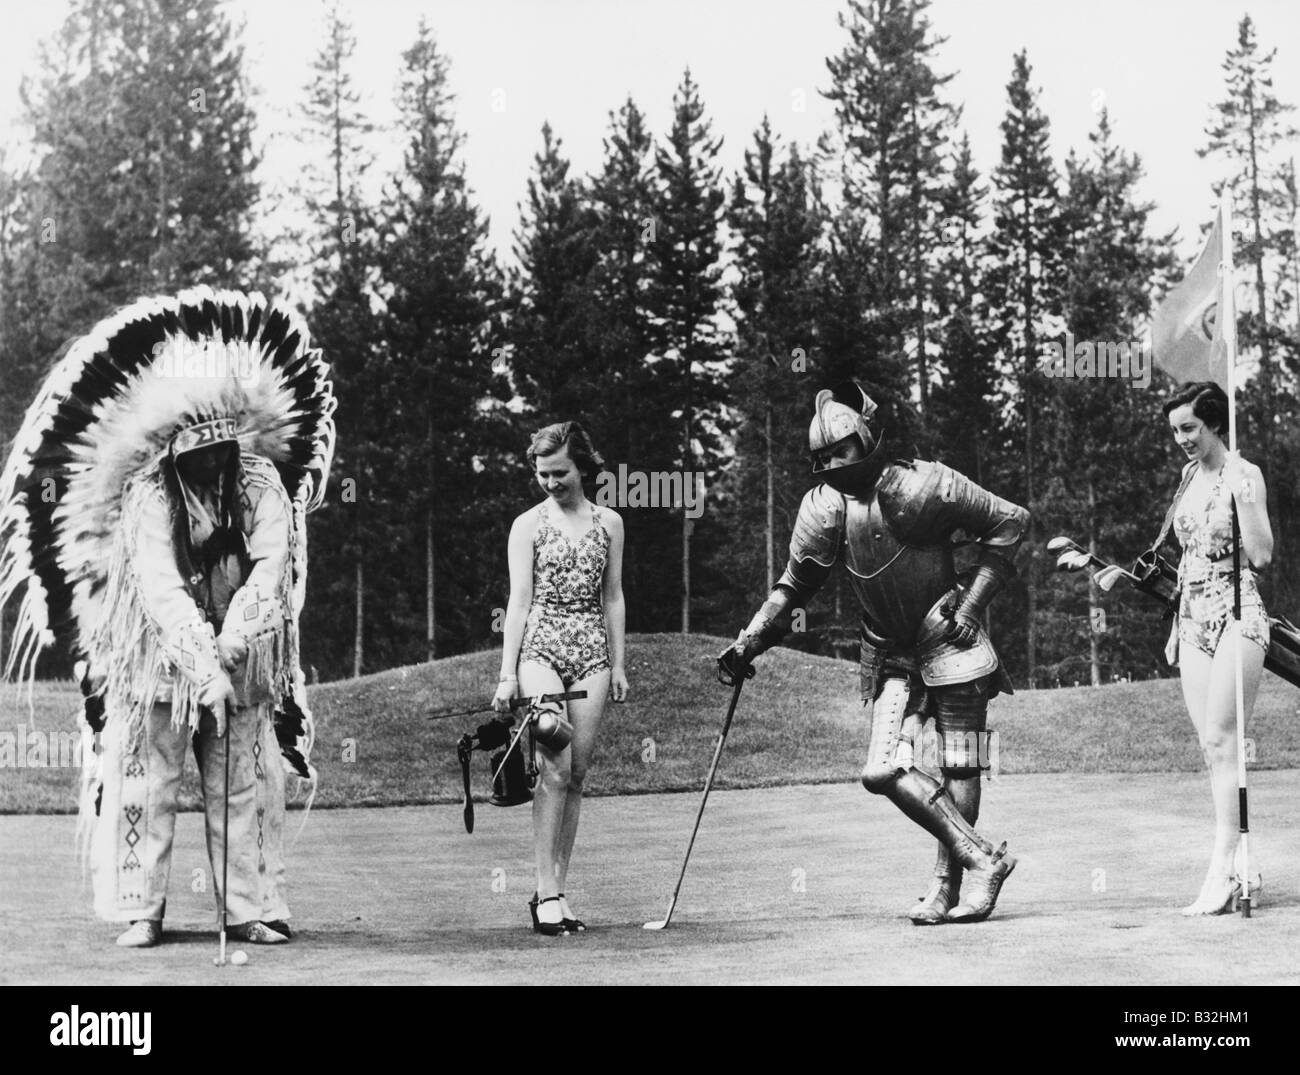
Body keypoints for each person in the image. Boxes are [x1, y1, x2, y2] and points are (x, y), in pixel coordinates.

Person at [0, 288, 334, 949]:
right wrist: (201, 664)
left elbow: (270, 571)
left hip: (244, 656)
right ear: (176, 453)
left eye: (220, 452)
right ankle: (141, 908)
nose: (211, 463)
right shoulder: (149, 496)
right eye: (198, 455)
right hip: (157, 659)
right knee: (145, 779)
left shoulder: (261, 483)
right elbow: (161, 589)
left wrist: (233, 648)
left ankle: (249, 907)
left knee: (244, 777)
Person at [718, 382, 1028, 924]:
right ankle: (982, 859)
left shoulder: (920, 484)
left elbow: (1010, 522)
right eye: (825, 456)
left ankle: (946, 887)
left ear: (867, 441)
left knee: (960, 765)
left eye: (843, 450)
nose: (836, 462)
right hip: (889, 651)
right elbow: (793, 585)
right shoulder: (823, 508)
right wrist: (750, 641)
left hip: (948, 633)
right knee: (881, 769)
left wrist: (974, 604)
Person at [493, 422, 628, 935]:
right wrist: (508, 675)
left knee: (576, 775)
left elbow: (612, 596)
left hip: (592, 652)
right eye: (542, 473)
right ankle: (544, 894)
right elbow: (519, 602)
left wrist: (618, 663)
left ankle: (558, 891)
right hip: (541, 651)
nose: (550, 482)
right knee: (553, 766)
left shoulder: (610, 524)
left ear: (584, 468)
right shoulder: (527, 525)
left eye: (560, 472)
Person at [1158, 381, 1272, 915]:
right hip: (1193, 616)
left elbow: (1262, 553)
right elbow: (1184, 554)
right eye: (1176, 430)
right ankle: (1242, 857)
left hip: (1236, 611)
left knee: (1226, 740)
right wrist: (1176, 622)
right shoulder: (1187, 476)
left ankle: (1222, 864)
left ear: (1214, 425)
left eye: (1190, 429)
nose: (1182, 439)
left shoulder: (1243, 475)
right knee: (1210, 745)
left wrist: (1244, 497)